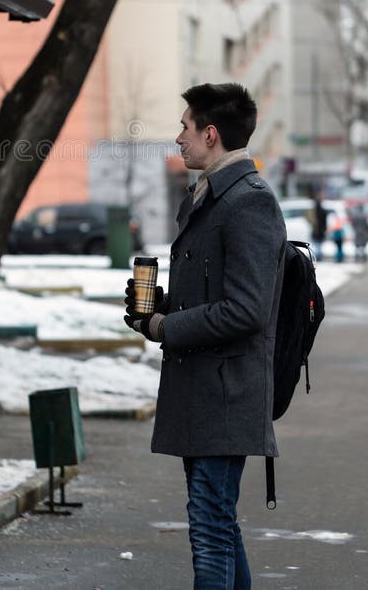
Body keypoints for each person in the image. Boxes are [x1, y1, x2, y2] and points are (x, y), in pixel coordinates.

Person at [124, 82, 286, 590]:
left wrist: (165, 326)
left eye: (185, 127)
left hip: (225, 393)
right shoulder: (214, 198)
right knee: (218, 523)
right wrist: (156, 308)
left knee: (211, 530)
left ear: (210, 134)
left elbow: (247, 310)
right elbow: (214, 297)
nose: (179, 138)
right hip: (204, 391)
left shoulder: (248, 202)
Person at [308, 192, 327, 261]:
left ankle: (316, 257)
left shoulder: (313, 212)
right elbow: (325, 222)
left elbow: (310, 220)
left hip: (315, 230)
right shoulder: (323, 211)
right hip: (321, 231)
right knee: (319, 245)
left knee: (316, 245)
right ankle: (319, 256)